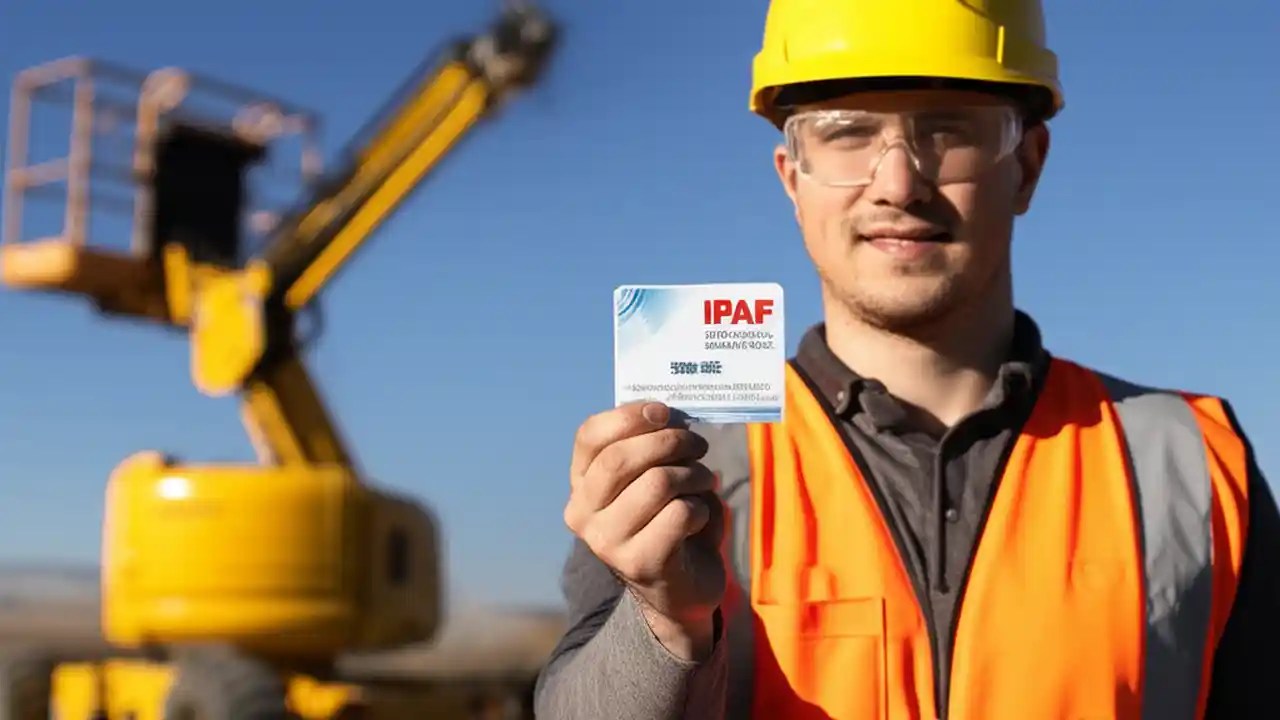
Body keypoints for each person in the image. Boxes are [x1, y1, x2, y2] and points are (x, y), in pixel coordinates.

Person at [533, 0, 1280, 717]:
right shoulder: (676, 466)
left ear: (1028, 163)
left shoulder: (1193, 460)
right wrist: (666, 625)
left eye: (948, 130)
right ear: (792, 179)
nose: (898, 183)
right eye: (848, 133)